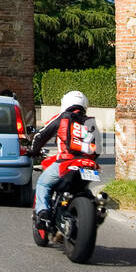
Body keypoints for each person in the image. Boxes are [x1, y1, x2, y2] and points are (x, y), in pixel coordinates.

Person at [30, 90, 99, 222]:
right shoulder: (91, 122)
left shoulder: (62, 117)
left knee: (43, 184)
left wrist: (33, 151)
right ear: (85, 105)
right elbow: (98, 148)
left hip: (65, 162)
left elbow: (41, 136)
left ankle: (43, 213)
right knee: (85, 189)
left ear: (65, 103)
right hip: (88, 165)